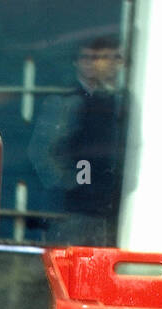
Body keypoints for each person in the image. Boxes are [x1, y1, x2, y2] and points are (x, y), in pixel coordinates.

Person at [27, 36, 127, 247]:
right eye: (89, 58)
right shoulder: (65, 100)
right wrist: (70, 183)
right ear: (79, 62)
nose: (96, 63)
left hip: (102, 207)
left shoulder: (113, 100)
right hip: (71, 210)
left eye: (110, 58)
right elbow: (41, 152)